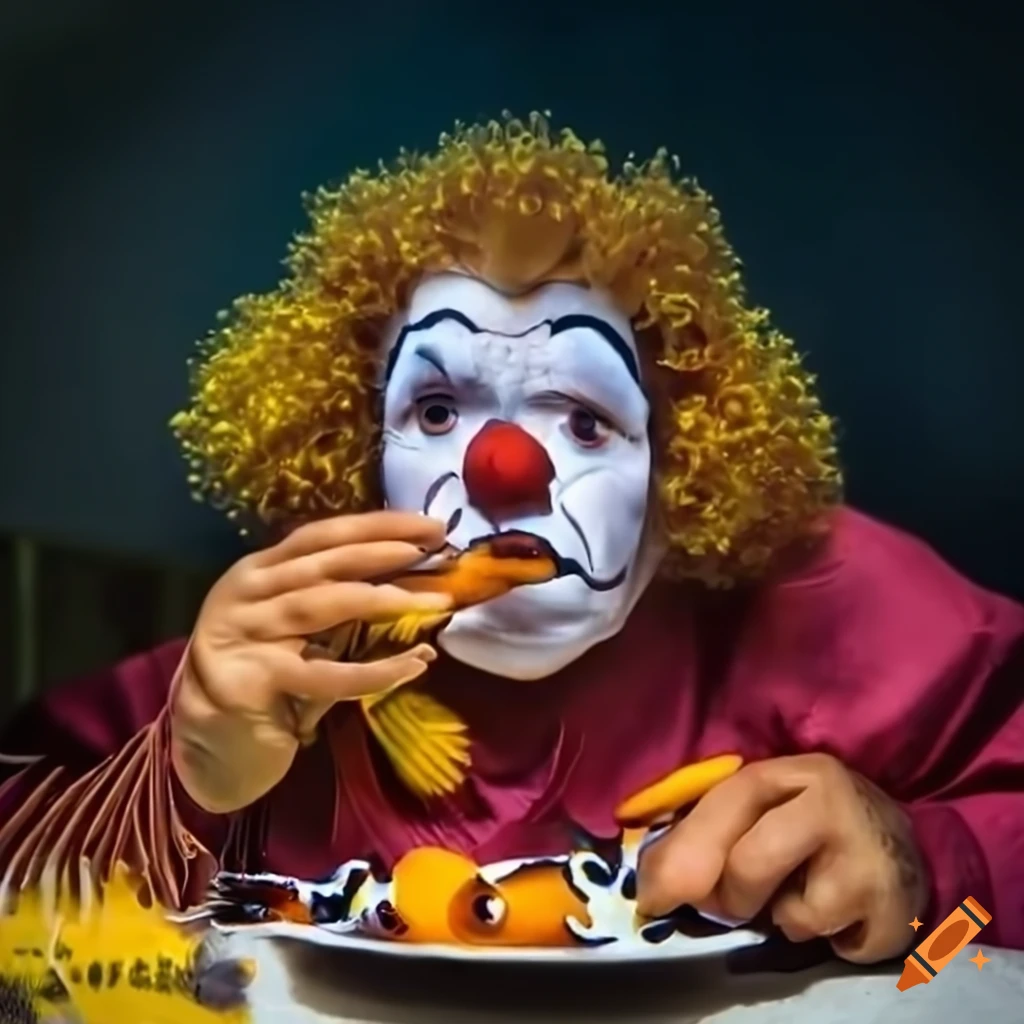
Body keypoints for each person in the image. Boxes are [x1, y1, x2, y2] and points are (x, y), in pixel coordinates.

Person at [1, 114, 1021, 965]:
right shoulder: (278, 666)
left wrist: (932, 866)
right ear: (359, 460)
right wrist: (178, 778)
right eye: (437, 409)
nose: (505, 467)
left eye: (584, 420)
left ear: (680, 476)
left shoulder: (829, 602)